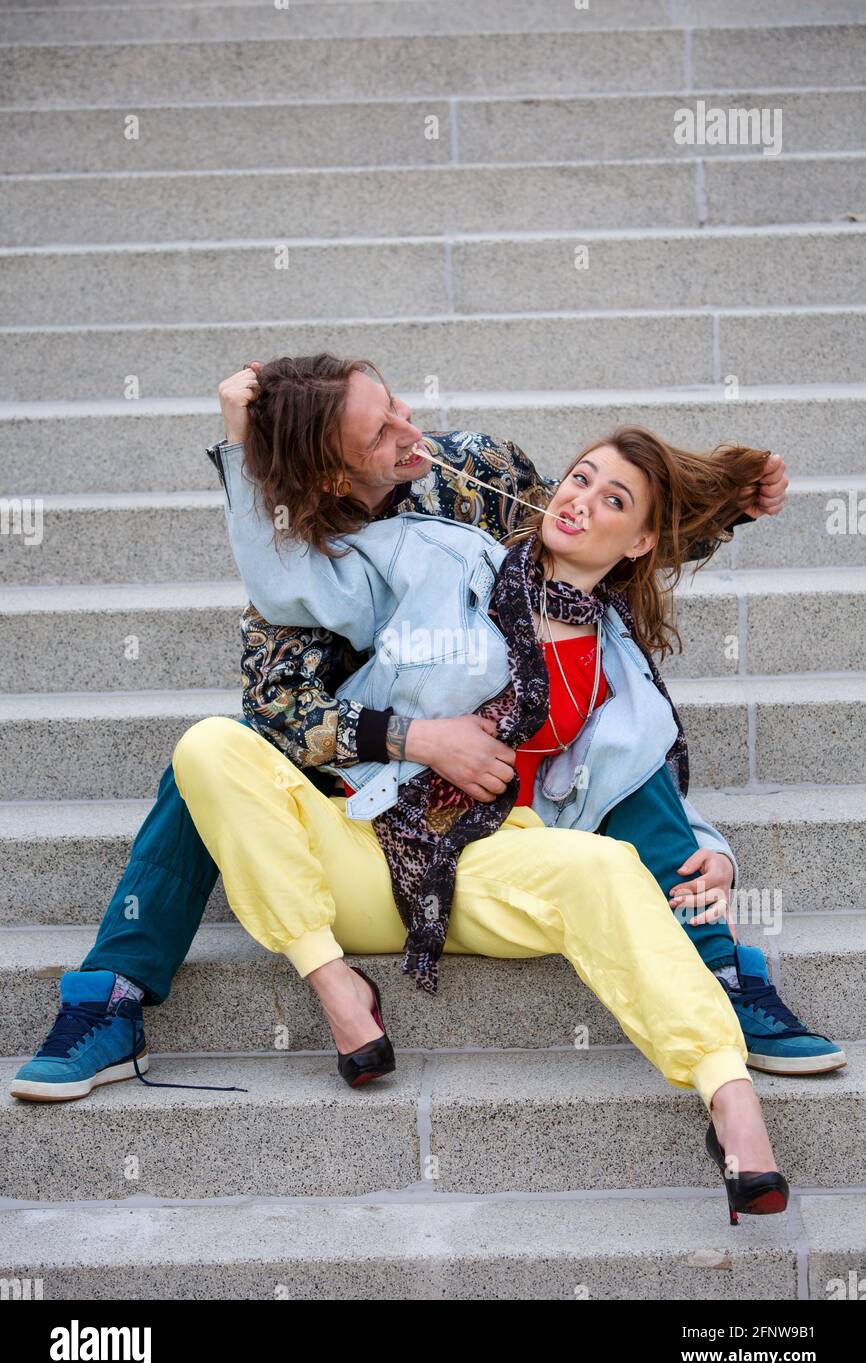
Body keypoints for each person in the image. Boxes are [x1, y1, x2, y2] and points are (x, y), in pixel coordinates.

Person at [11, 356, 840, 1136]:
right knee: (203, 766)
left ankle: (722, 976)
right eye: (381, 435)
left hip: (510, 799)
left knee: (626, 754)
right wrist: (420, 737)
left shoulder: (468, 471)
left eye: (398, 405)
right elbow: (276, 715)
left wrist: (719, 508)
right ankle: (111, 997)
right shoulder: (297, 563)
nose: (414, 435)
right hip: (355, 795)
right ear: (333, 477)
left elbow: (592, 533)